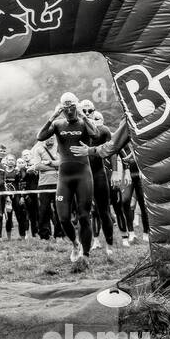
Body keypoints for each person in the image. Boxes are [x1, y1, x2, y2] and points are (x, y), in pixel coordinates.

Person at [37, 93, 109, 265]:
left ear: (75, 106)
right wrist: (53, 116)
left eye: (71, 106)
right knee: (62, 218)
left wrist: (82, 114)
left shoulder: (84, 123)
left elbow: (95, 135)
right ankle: (75, 244)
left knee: (85, 216)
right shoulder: (57, 123)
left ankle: (85, 255)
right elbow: (40, 137)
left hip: (83, 174)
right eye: (65, 107)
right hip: (64, 177)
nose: (68, 110)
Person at [82, 107, 116, 255]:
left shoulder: (103, 130)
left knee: (104, 211)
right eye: (84, 110)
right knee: (83, 213)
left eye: (90, 110)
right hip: (82, 175)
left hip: (98, 173)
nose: (87, 113)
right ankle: (87, 247)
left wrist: (115, 171)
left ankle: (109, 246)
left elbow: (113, 150)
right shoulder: (76, 129)